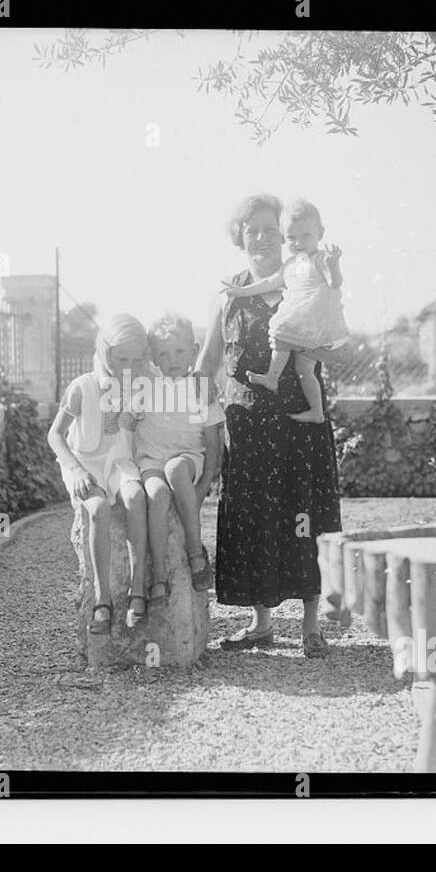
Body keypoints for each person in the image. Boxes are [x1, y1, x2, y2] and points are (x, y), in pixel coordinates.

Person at [195, 194, 346, 658]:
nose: (260, 237)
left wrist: (315, 350)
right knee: (253, 515)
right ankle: (260, 624)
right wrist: (192, 421)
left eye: (268, 228)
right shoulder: (228, 293)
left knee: (306, 512)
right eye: (251, 229)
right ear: (239, 237)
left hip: (299, 416)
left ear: (284, 235)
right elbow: (207, 364)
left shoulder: (306, 278)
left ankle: (310, 625)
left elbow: (336, 344)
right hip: (245, 421)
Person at [47, 314, 151, 633]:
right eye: (121, 359)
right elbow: (55, 435)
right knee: (99, 509)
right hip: (86, 464)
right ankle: (102, 599)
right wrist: (75, 470)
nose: (127, 367)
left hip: (118, 462)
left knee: (135, 497)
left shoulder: (138, 385)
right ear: (104, 351)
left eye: (136, 360)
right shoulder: (83, 387)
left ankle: (137, 590)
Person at [132, 313, 224, 619]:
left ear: (195, 351)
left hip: (187, 459)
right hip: (152, 461)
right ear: (153, 358)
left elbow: (213, 446)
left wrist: (203, 487)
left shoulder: (201, 390)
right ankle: (158, 578)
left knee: (175, 470)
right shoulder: (147, 386)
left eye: (180, 351)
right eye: (163, 353)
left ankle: (196, 553)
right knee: (156, 494)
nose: (172, 360)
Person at [229, 198, 349, 424]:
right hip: (298, 325)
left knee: (293, 351)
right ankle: (285, 387)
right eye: (292, 237)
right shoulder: (291, 265)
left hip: (313, 326)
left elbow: (334, 283)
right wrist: (241, 291)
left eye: (306, 236)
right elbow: (269, 283)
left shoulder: (320, 259)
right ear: (285, 237)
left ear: (320, 233)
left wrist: (334, 265)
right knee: (302, 367)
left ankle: (308, 405)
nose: (299, 242)